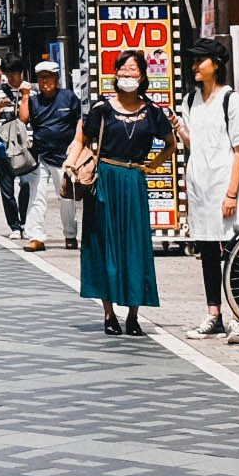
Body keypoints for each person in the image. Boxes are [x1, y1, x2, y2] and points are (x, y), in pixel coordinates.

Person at [78, 49, 170, 337]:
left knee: (134, 244)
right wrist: (78, 165)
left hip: (133, 180)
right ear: (115, 74)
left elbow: (170, 143)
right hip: (105, 177)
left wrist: (151, 166)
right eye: (123, 70)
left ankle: (133, 315)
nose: (128, 75)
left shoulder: (152, 111)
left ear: (142, 76)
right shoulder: (102, 108)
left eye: (133, 71)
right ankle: (108, 314)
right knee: (104, 243)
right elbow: (83, 138)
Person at [180, 48, 239, 340]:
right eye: (193, 61)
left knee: (233, 252)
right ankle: (214, 314)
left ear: (217, 65)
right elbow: (192, 144)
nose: (195, 66)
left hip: (225, 186)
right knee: (208, 253)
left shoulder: (231, 100)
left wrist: (232, 193)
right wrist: (179, 129)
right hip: (200, 187)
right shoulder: (190, 100)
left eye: (201, 61)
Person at [25, 59, 82, 253]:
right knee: (37, 196)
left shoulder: (69, 98)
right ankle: (36, 236)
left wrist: (77, 148)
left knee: (66, 198)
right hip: (40, 155)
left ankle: (70, 235)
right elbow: (24, 119)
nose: (44, 82)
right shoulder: (34, 101)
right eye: (41, 78)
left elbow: (80, 123)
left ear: (57, 78)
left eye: (48, 77)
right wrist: (24, 96)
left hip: (64, 156)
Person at [0, 69, 39, 242]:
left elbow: (35, 117)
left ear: (22, 74)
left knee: (26, 184)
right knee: (6, 188)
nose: (12, 77)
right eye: (9, 74)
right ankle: (14, 225)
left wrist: (26, 96)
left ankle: (24, 222)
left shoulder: (32, 91)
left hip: (26, 146)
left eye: (15, 74)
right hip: (3, 146)